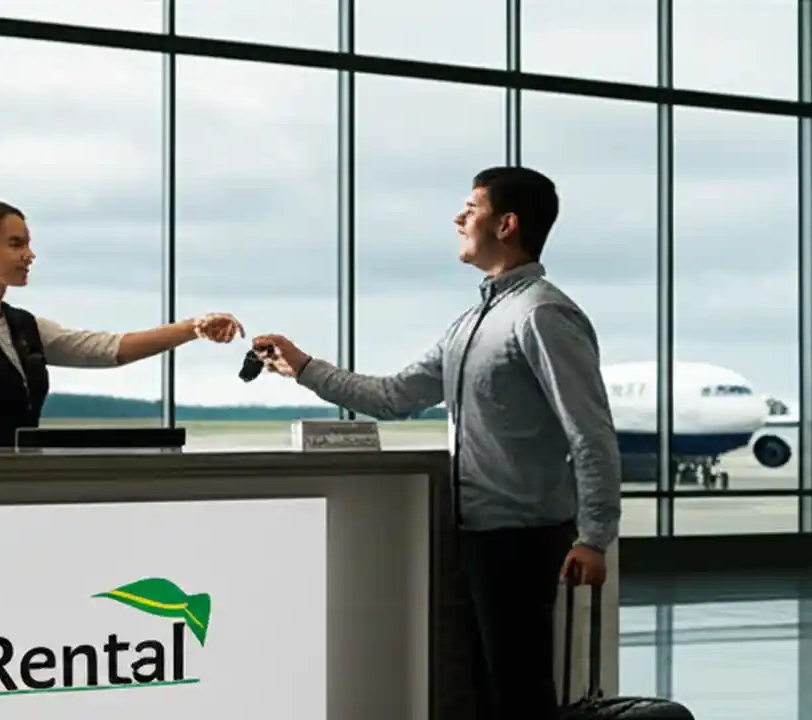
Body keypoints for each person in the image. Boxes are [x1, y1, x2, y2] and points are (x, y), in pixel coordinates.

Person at [250, 166, 621, 720]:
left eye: (471, 208)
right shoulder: (471, 323)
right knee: (482, 689)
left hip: (524, 539)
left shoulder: (543, 314)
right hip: (474, 535)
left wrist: (595, 536)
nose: (458, 218)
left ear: (507, 224)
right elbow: (394, 396)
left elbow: (589, 429)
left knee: (520, 693)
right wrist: (302, 367)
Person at [0, 199, 244, 453]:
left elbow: (108, 350)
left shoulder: (26, 326)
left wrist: (193, 328)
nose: (30, 254)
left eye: (28, 243)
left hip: (20, 485)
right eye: (16, 244)